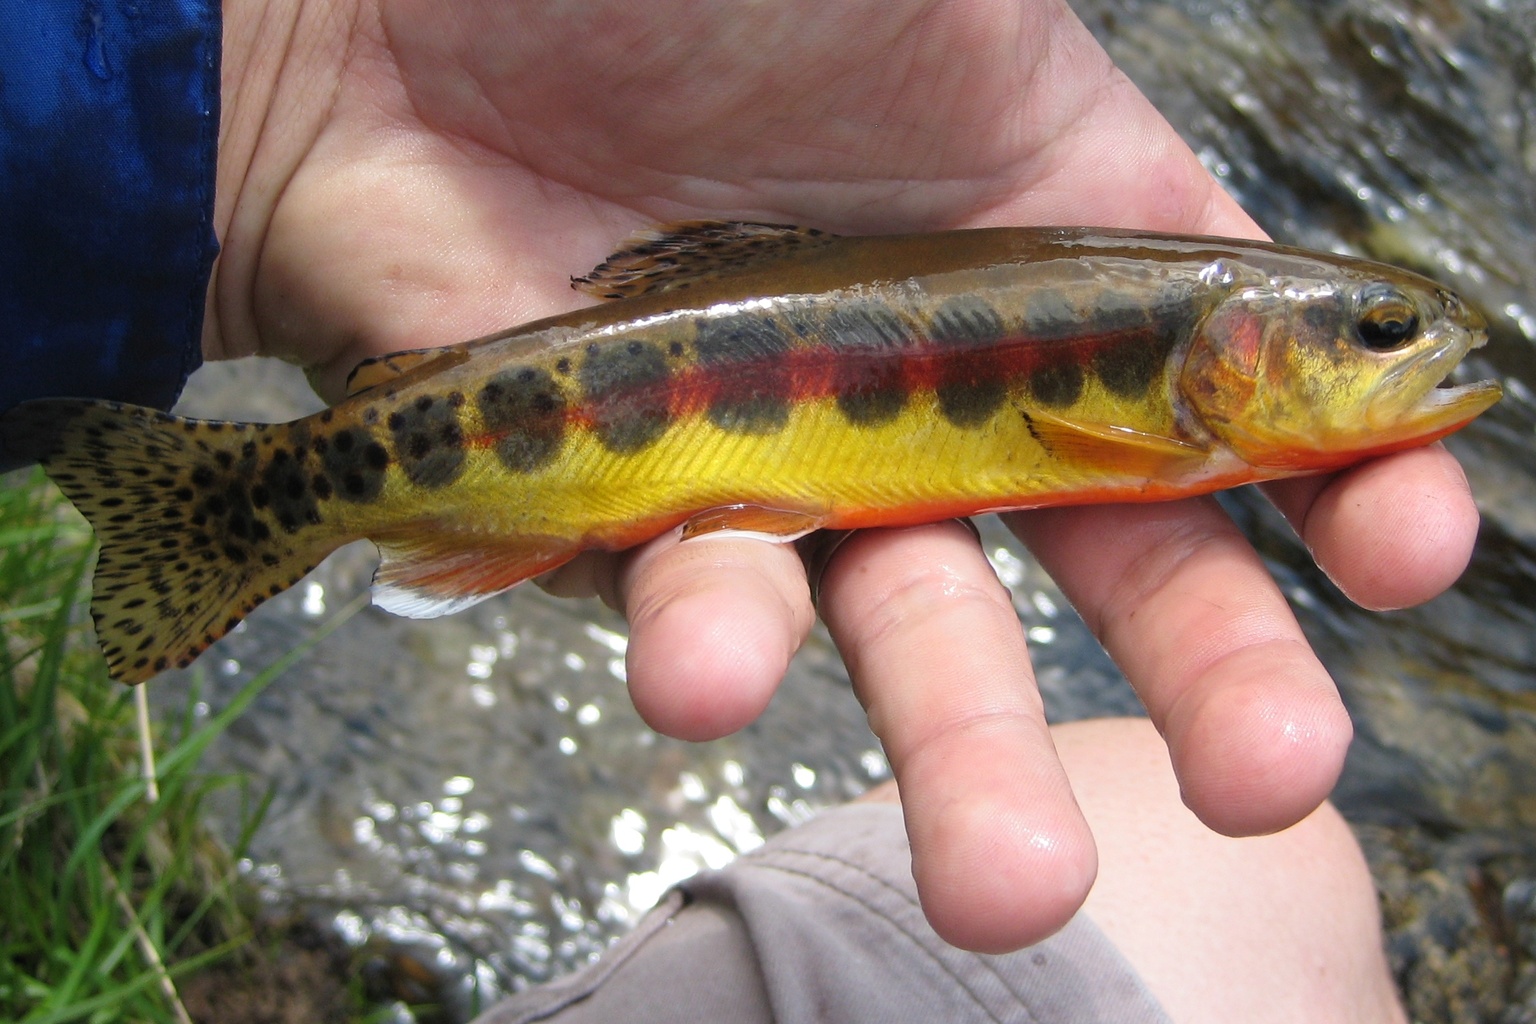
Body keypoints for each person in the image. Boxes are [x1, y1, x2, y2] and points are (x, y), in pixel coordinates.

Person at [3, 0, 1471, 1018]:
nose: (1423, 354)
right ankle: (249, 502)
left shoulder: (1167, 358)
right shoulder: (1156, 393)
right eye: (1382, 333)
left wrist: (275, 67)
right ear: (1236, 347)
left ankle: (255, 494)